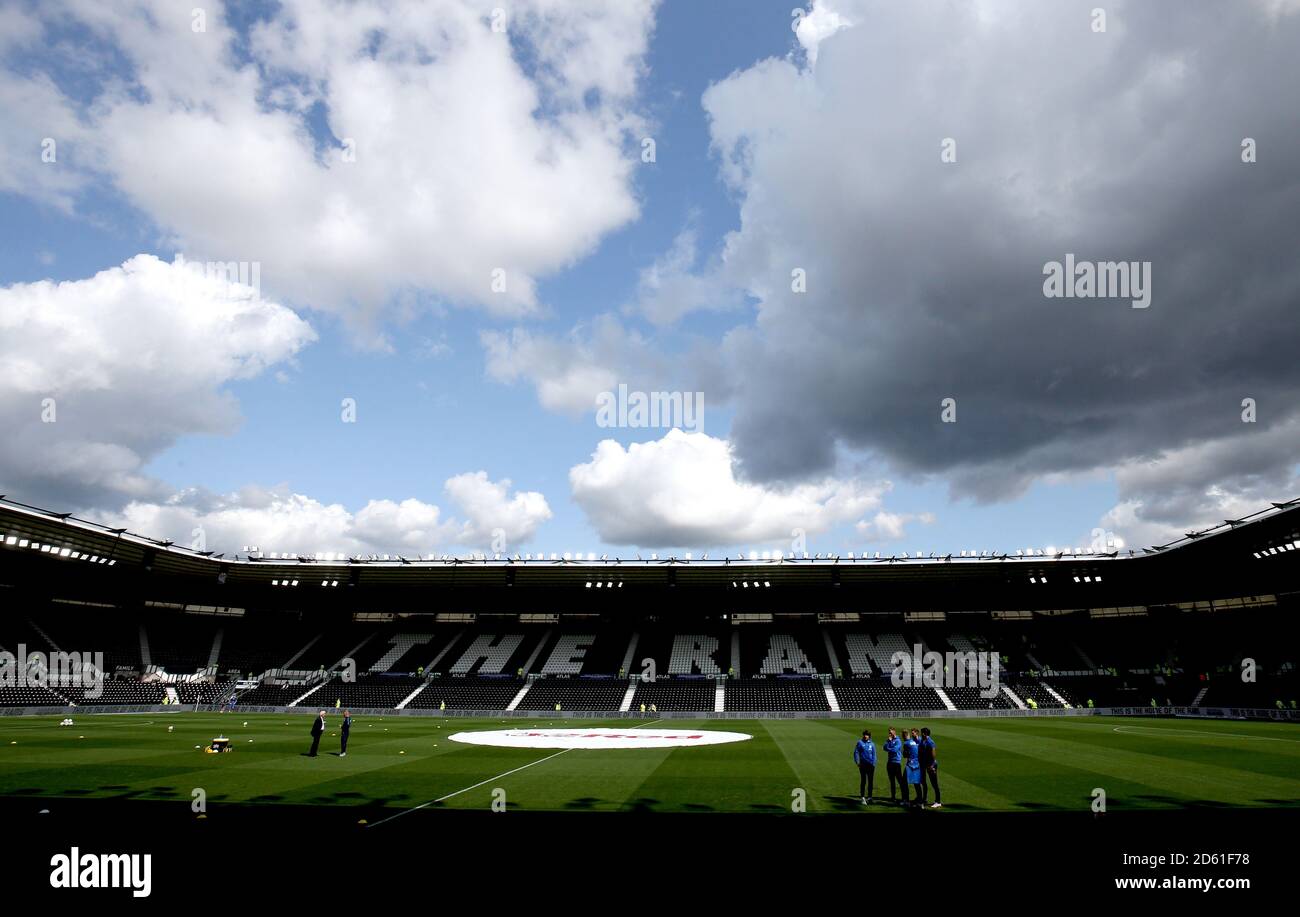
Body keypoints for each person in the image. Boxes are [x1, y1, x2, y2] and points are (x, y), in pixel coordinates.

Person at [852, 729, 876, 805]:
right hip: (862, 765)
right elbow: (856, 752)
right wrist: (857, 762)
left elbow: (874, 754)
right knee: (863, 781)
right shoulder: (860, 742)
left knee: (870, 782)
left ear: (869, 736)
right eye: (865, 735)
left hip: (871, 765)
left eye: (867, 735)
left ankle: (870, 797)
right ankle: (862, 797)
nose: (866, 736)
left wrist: (873, 763)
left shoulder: (872, 744)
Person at [919, 726, 941, 808]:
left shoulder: (930, 742)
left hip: (930, 765)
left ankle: (938, 801)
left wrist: (932, 766)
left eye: (922, 733)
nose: (921, 734)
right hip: (925, 765)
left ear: (924, 734)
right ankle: (924, 799)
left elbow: (933, 754)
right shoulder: (923, 741)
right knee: (923, 782)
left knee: (934, 783)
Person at [883, 728, 904, 805]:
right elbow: (884, 747)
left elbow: (895, 750)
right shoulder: (889, 740)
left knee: (900, 781)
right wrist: (888, 742)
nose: (890, 734)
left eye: (891, 733)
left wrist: (889, 748)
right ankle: (893, 797)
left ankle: (904, 797)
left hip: (896, 763)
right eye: (889, 733)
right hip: (890, 763)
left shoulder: (898, 740)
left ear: (894, 732)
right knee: (892, 781)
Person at [903, 728, 922, 808]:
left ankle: (906, 801)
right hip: (918, 764)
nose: (912, 734)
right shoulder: (916, 741)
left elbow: (905, 755)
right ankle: (920, 802)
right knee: (917, 783)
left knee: (904, 782)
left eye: (913, 733)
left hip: (911, 764)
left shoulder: (906, 743)